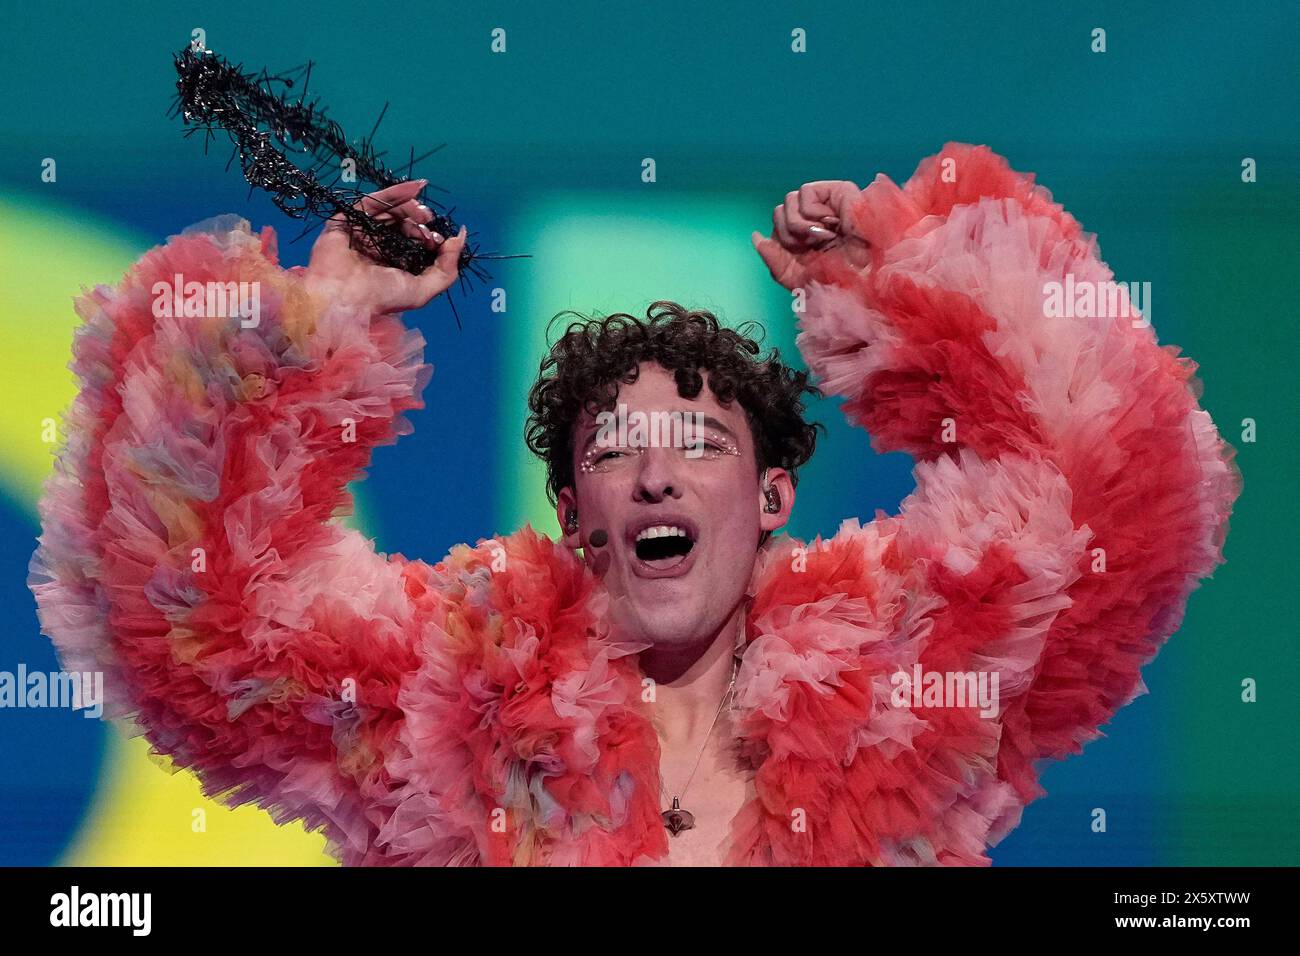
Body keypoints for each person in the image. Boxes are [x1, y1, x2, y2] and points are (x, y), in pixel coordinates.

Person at [29, 143, 1240, 866]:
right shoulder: (451, 695)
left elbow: (1111, 498)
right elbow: (190, 611)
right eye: (618, 448)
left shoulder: (902, 687)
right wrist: (312, 325)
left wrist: (915, 290)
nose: (656, 471)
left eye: (698, 442)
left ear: (772, 496)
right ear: (572, 510)